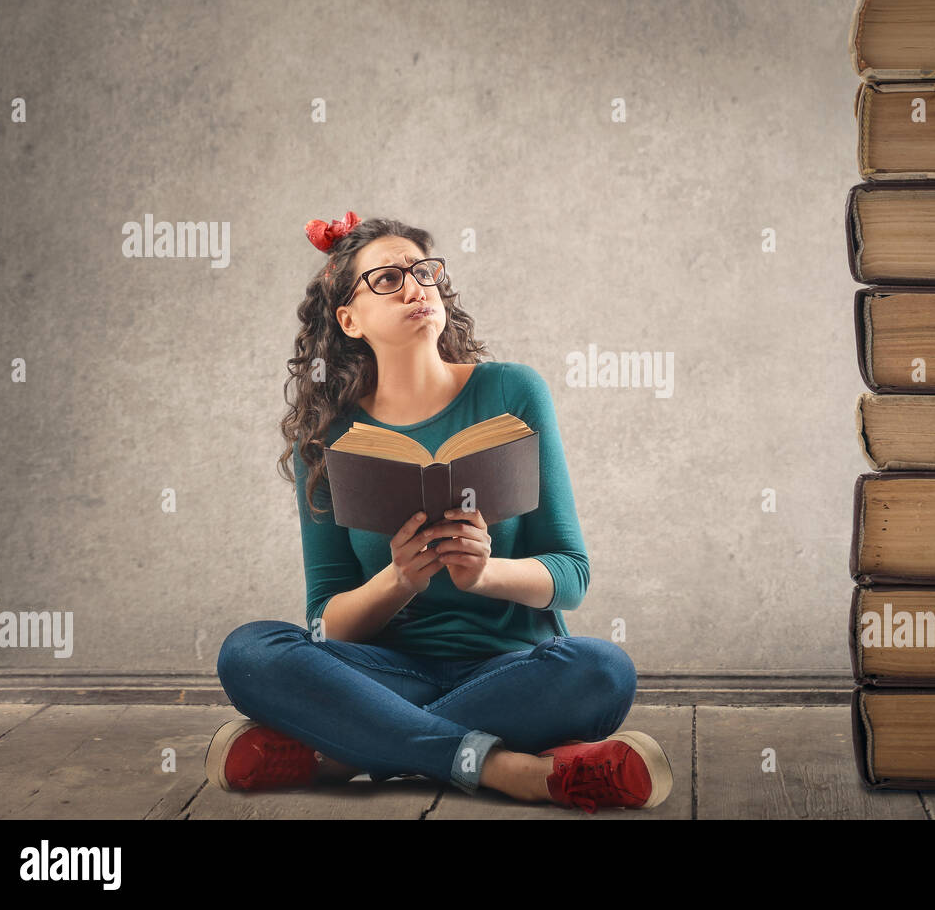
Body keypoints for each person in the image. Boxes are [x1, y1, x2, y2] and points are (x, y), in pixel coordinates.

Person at [205, 211, 673, 813]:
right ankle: (508, 769)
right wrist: (397, 581)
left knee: (603, 669)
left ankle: (347, 755)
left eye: (423, 271)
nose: (415, 286)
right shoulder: (326, 436)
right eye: (387, 279)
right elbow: (326, 626)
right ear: (349, 319)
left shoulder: (513, 390)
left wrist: (485, 574)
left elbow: (572, 575)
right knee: (250, 652)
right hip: (382, 673)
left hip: (514, 672)